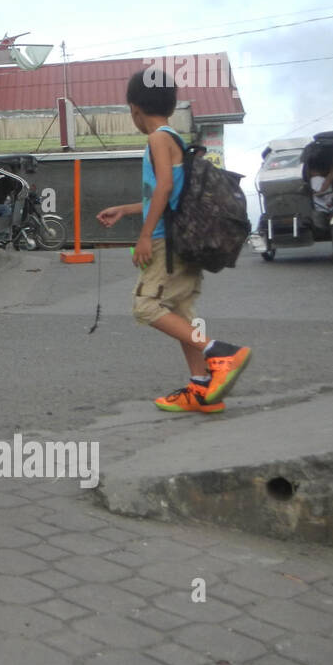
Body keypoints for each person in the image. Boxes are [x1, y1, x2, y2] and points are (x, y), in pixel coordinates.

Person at [96, 70, 253, 413]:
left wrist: (142, 237)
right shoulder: (174, 138)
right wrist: (126, 209)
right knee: (181, 313)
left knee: (146, 306)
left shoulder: (157, 140)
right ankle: (201, 390)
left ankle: (219, 352)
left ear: (134, 108)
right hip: (183, 239)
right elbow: (166, 197)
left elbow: (164, 189)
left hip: (166, 245)